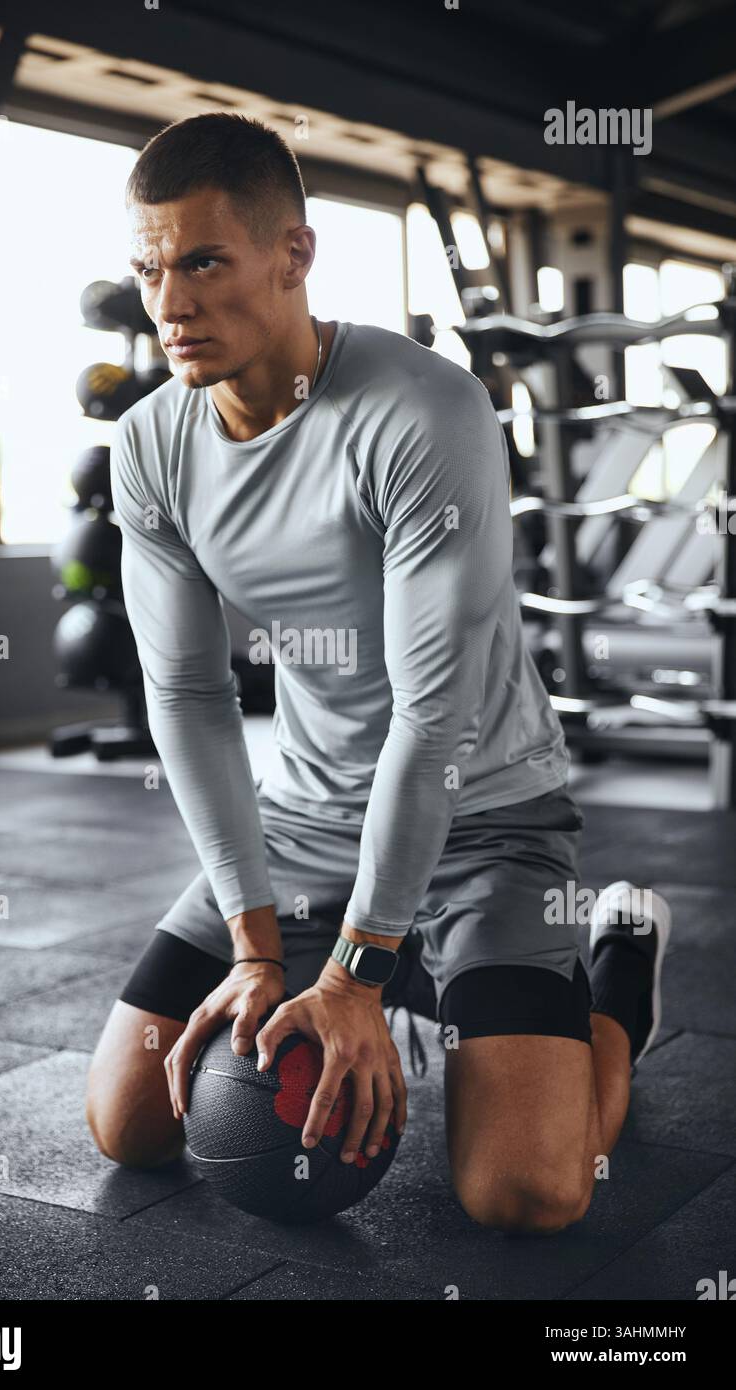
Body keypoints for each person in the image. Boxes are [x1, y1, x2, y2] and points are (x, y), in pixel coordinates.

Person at [86, 112, 670, 1234]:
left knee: (528, 1193)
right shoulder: (151, 445)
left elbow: (431, 711)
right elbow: (190, 694)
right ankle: (397, 970)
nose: (170, 303)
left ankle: (614, 986)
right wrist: (259, 942)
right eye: (150, 268)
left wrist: (354, 972)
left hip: (484, 819)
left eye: (204, 260)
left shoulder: (418, 410)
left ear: (292, 255)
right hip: (305, 824)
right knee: (130, 1121)